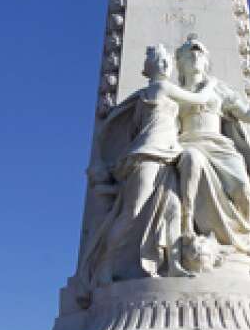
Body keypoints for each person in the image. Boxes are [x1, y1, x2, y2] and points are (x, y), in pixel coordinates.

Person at [77, 44, 217, 286]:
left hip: (168, 157)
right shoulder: (161, 87)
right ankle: (104, 266)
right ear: (150, 68)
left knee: (173, 210)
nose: (165, 64)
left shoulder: (143, 97)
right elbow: (199, 99)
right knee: (132, 212)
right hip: (149, 156)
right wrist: (211, 83)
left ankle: (174, 264)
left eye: (166, 61)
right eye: (159, 60)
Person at [174, 35, 250, 285]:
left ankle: (240, 242)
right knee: (190, 160)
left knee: (244, 192)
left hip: (219, 146)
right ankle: (189, 232)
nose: (195, 56)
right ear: (180, 62)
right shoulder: (175, 91)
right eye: (189, 53)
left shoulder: (218, 88)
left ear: (206, 61)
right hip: (189, 142)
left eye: (199, 52)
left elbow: (246, 113)